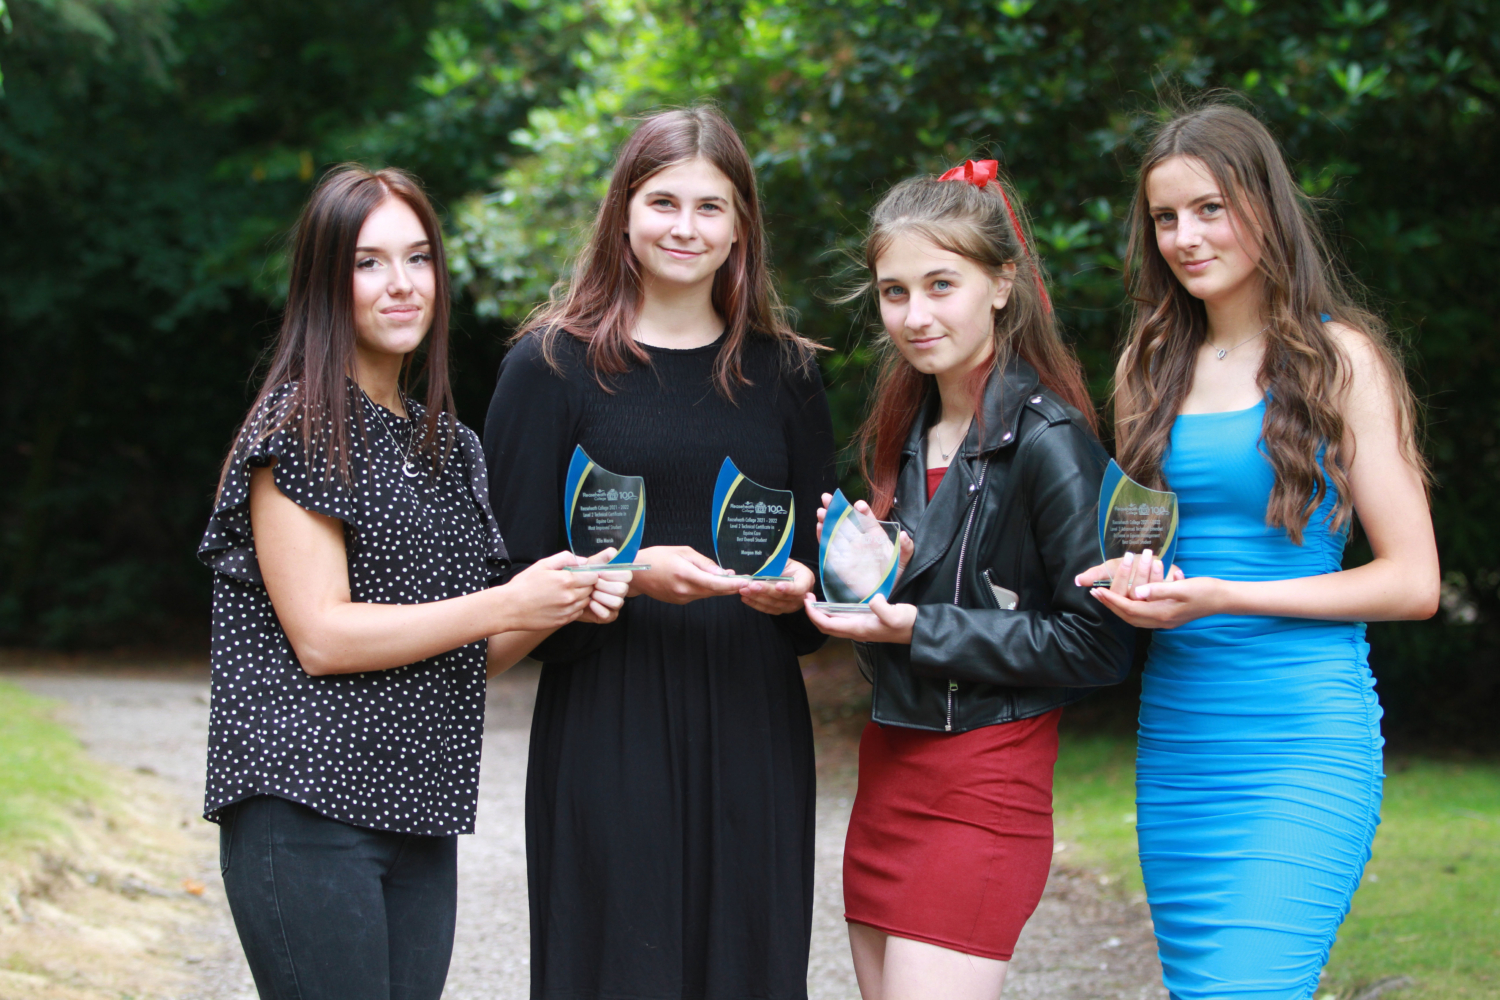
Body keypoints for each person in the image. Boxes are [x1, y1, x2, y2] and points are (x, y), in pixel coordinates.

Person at [198, 165, 628, 1000]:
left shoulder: (451, 448)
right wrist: (506, 599)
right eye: (368, 263)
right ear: (324, 282)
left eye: (418, 258)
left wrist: (567, 593)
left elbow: (466, 645)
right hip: (306, 805)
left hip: (419, 813)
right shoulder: (298, 426)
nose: (401, 285)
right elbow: (321, 635)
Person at [1076, 103, 1440, 999]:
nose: (1186, 238)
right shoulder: (1146, 364)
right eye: (1165, 218)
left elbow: (1414, 581)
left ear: (1267, 207)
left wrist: (1228, 596)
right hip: (1182, 737)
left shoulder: (1339, 359)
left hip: (1303, 736)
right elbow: (1147, 536)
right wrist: (1131, 579)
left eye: (1210, 208)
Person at [481, 107, 837, 998]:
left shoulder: (787, 373)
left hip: (753, 716)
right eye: (663, 201)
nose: (686, 227)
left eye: (711, 207)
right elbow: (509, 584)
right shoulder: (549, 367)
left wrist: (806, 583)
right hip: (608, 716)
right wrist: (632, 578)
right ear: (623, 215)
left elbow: (817, 582)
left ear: (742, 225)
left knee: (747, 969)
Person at [804, 159, 1135, 1000]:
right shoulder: (906, 427)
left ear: (1002, 285)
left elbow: (1099, 642)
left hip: (985, 782)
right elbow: (921, 599)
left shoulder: (1049, 437)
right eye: (894, 292)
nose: (915, 316)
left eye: (940, 285)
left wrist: (915, 628)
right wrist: (847, 577)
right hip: (890, 769)